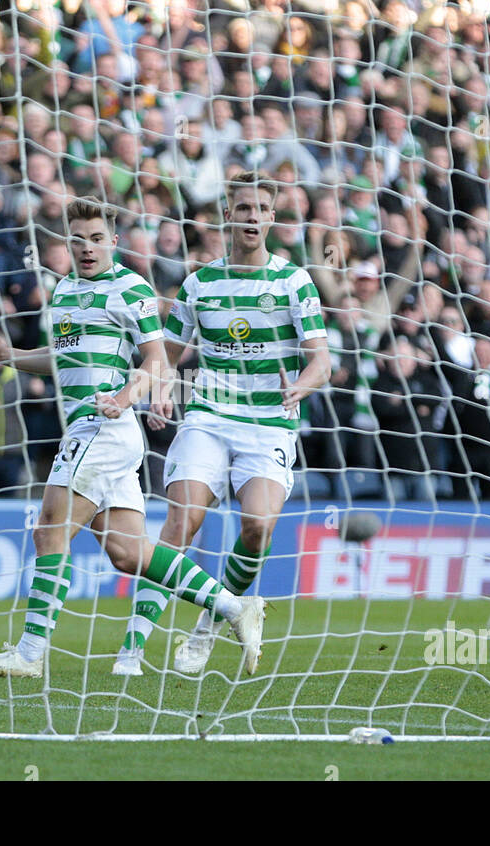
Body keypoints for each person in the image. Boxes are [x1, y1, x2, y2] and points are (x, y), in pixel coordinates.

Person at [0, 198, 265, 678]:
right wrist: (10, 356)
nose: (87, 248)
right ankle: (233, 607)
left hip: (104, 427)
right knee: (128, 553)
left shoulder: (130, 288)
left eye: (97, 239)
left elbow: (157, 360)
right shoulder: (63, 291)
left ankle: (29, 654)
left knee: (49, 530)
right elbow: (64, 358)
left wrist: (126, 397)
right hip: (92, 427)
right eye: (78, 239)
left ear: (114, 242)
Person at [121, 170, 331, 675]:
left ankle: (209, 627)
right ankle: (132, 647)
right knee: (180, 522)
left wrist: (301, 386)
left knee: (257, 528)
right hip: (209, 419)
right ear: (228, 216)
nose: (252, 216)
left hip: (269, 425)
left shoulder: (292, 280)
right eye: (243, 208)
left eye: (261, 208)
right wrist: (162, 394)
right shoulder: (200, 283)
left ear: (273, 218)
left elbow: (321, 359)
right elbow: (164, 357)